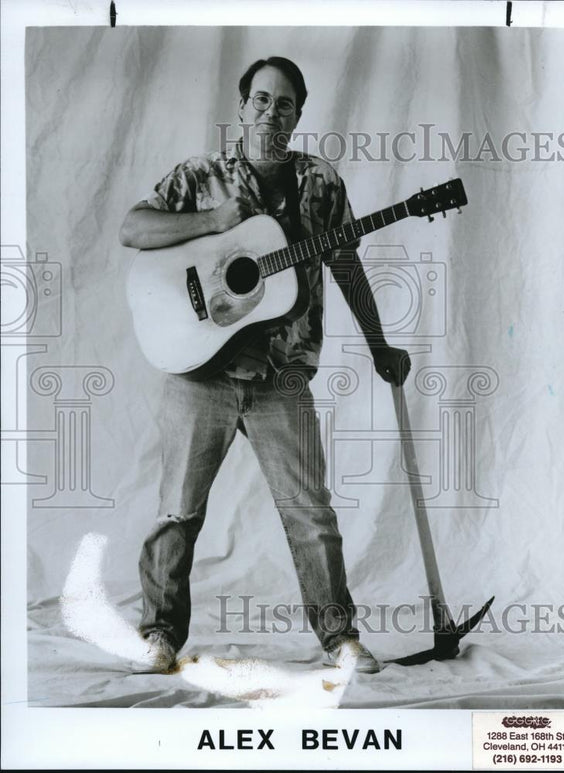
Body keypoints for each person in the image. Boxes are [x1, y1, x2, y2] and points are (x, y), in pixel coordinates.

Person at [120, 56, 411, 674]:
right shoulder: (202, 176)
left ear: (299, 114)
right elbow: (132, 227)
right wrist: (214, 222)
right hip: (201, 369)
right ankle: (160, 635)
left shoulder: (322, 184)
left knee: (311, 514)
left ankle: (340, 639)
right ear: (241, 106)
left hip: (283, 375)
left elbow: (347, 267)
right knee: (178, 510)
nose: (271, 113)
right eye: (261, 100)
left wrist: (380, 344)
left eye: (285, 104)